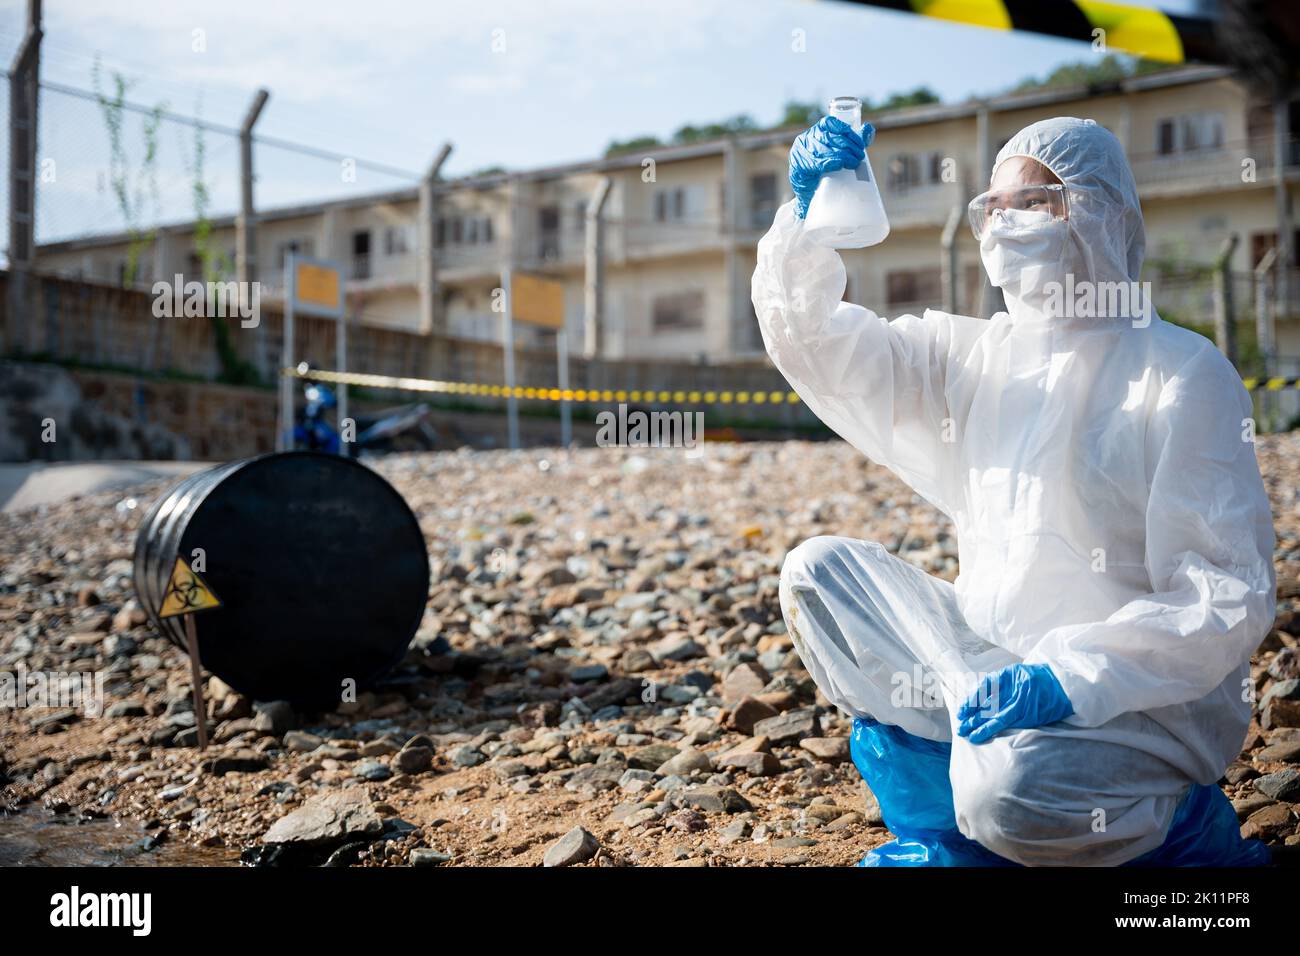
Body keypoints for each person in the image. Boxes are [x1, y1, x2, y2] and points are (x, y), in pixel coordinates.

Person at [751, 115, 1276, 866]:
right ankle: (956, 815)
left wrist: (1070, 677)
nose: (1002, 224)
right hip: (994, 659)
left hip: (1133, 703)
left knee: (1008, 798)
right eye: (991, 207)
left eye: (1030, 203)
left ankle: (1153, 820)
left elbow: (1223, 594)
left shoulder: (1180, 374)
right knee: (819, 573)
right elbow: (819, 347)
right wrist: (804, 223)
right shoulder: (978, 358)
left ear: (1096, 211)